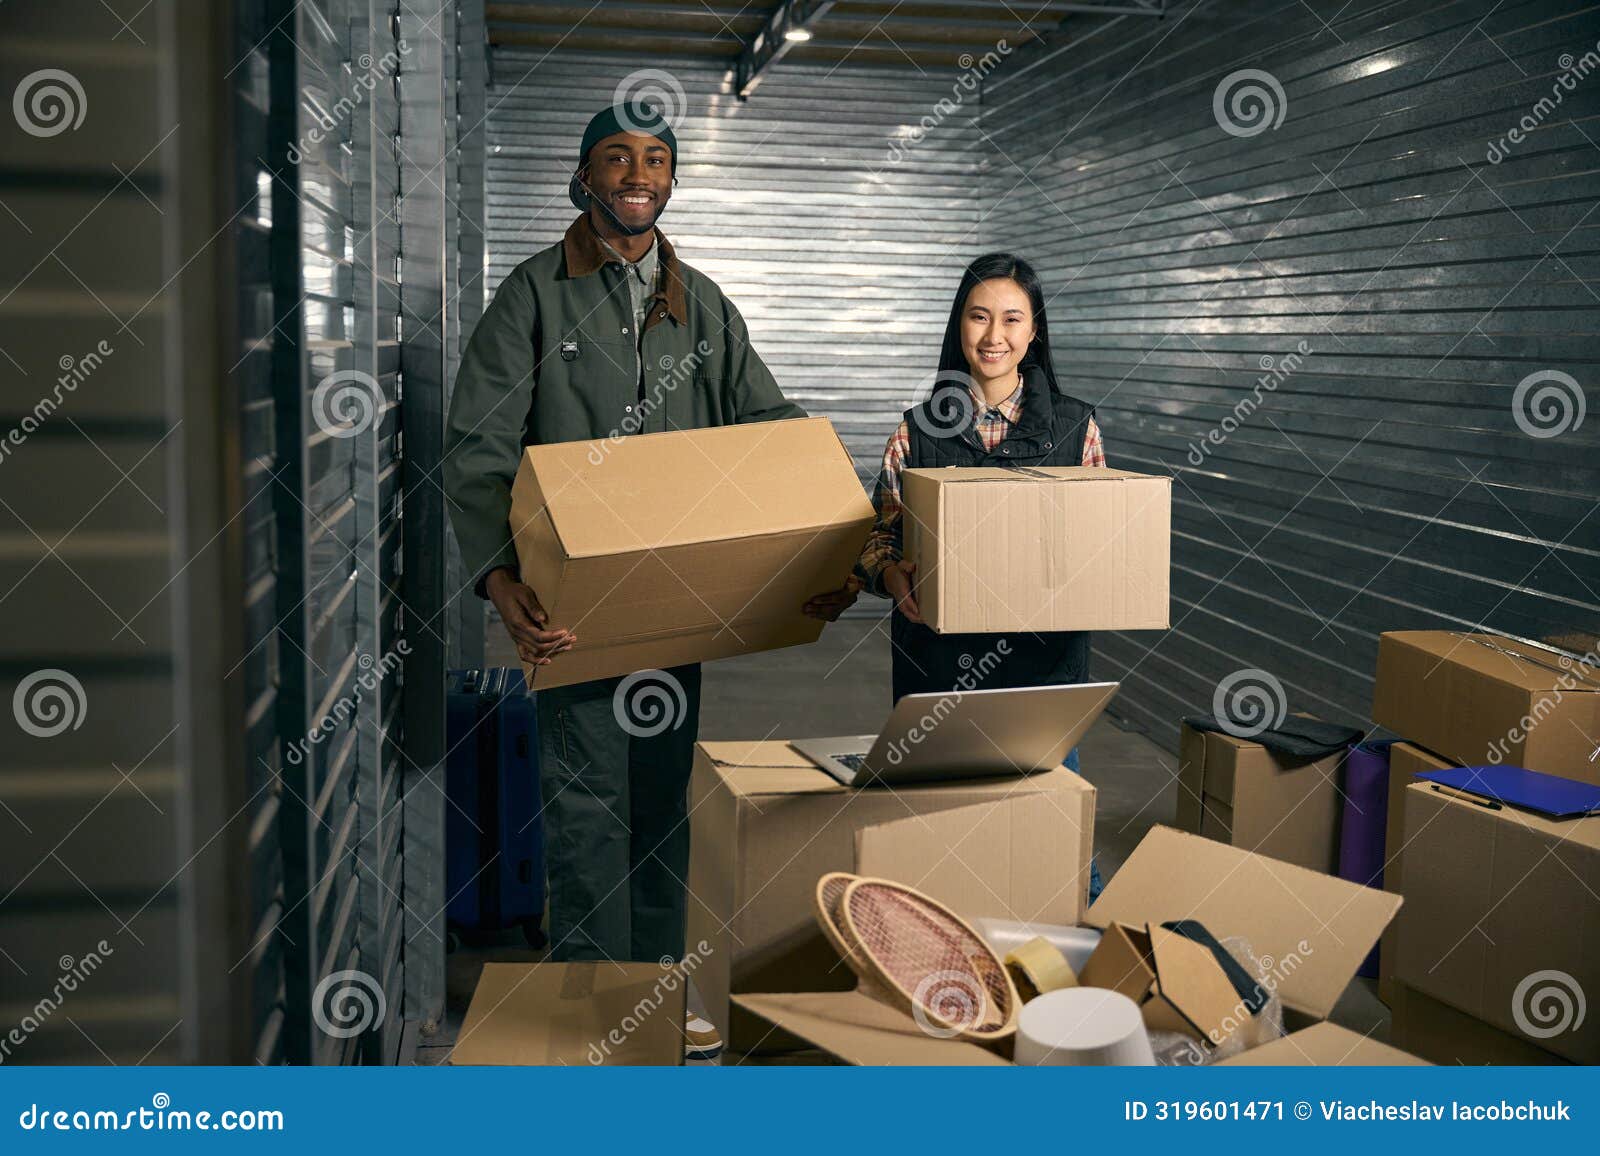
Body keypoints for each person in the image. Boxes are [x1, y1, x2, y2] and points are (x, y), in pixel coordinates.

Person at [443, 100, 857, 1055]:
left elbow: (767, 421)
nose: (640, 174)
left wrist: (845, 513)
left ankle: (656, 1001)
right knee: (588, 811)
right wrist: (501, 583)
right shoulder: (533, 296)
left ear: (671, 181)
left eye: (658, 159)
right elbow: (475, 450)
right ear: (585, 177)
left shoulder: (702, 301)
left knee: (663, 804)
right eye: (618, 158)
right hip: (576, 609)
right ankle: (598, 1021)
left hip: (678, 607)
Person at [850, 251, 1108, 893]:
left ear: (1035, 331)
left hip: (1042, 676)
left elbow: (1106, 537)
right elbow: (879, 535)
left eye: (1012, 320)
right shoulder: (914, 433)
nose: (994, 337)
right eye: (978, 317)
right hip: (938, 673)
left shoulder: (1076, 429)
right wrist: (889, 575)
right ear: (957, 325)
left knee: (1053, 856)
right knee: (936, 854)